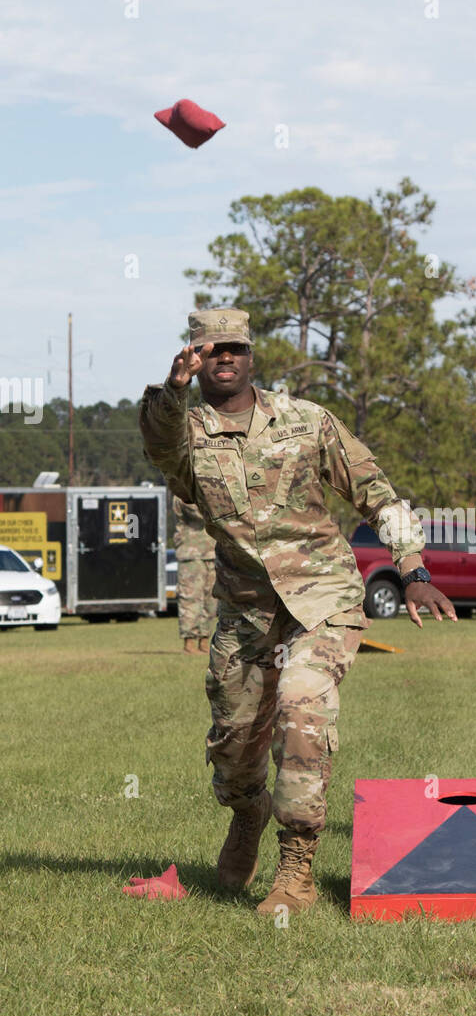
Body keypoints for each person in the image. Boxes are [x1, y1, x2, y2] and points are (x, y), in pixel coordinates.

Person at [139, 309, 456, 915]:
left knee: (302, 709)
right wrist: (171, 392)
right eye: (211, 350)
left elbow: (377, 493)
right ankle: (247, 813)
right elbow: (159, 441)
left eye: (235, 348)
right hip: (247, 612)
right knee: (234, 747)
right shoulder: (187, 434)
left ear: (252, 356)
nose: (224, 358)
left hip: (322, 599)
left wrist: (413, 570)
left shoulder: (306, 421)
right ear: (196, 358)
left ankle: (297, 864)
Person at [172, 494, 217, 653]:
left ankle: (205, 638)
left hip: (213, 552)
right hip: (192, 553)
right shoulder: (183, 490)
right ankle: (189, 640)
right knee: (190, 599)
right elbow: (199, 512)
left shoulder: (209, 489)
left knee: (211, 600)